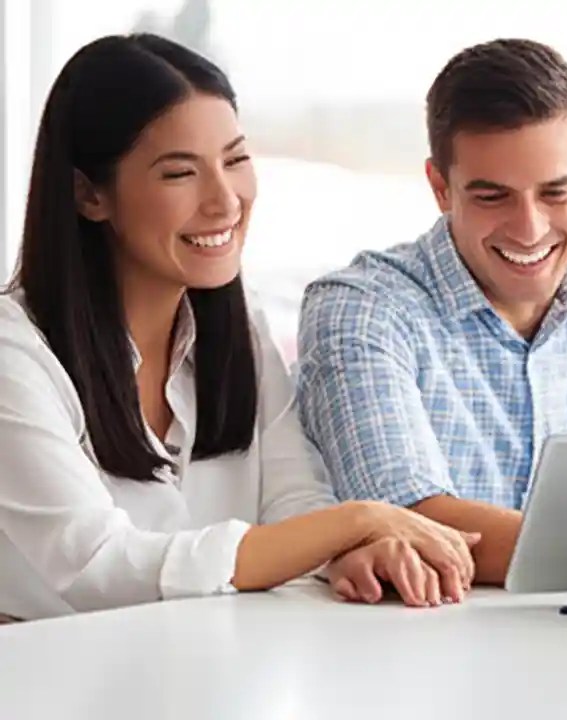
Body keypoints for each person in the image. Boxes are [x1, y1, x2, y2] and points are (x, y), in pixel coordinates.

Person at [0, 34, 480, 622]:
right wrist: (355, 522)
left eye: (235, 160)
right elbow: (100, 569)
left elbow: (292, 503)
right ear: (88, 194)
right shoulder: (16, 355)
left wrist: (347, 554)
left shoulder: (238, 328)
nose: (225, 200)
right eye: (180, 173)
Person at [295, 38, 567, 586]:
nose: (529, 229)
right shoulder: (363, 309)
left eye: (555, 193)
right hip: (426, 652)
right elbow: (411, 522)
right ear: (441, 187)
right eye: (492, 197)